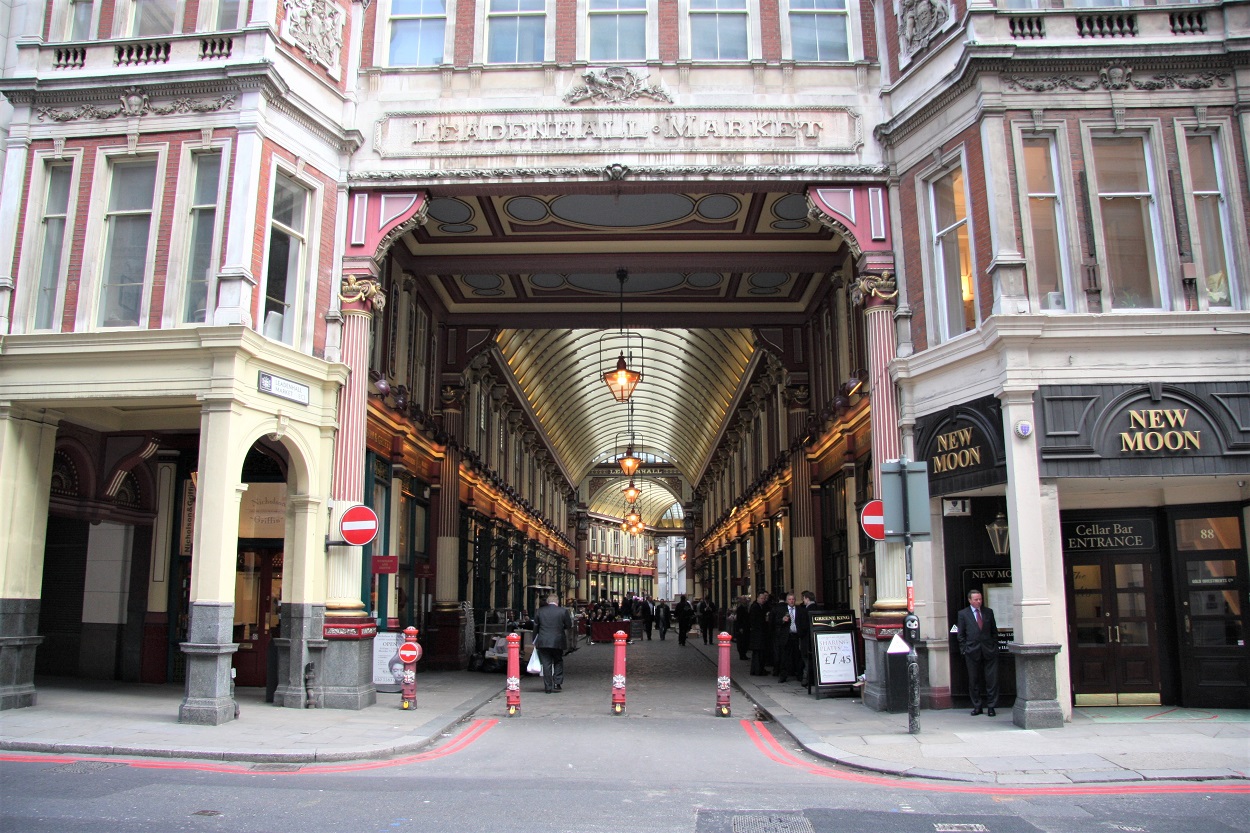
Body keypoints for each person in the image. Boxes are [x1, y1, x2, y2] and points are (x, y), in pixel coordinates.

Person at [957, 589, 999, 716]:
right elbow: (961, 634)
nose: (978, 602)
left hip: (989, 650)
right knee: (974, 680)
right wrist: (964, 649)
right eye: (976, 599)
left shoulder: (988, 612)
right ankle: (977, 706)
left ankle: (991, 706)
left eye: (980, 599)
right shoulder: (963, 614)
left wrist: (994, 646)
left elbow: (994, 631)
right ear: (970, 600)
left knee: (991, 679)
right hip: (972, 651)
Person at [533, 593, 573, 694]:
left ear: (547, 601)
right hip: (557, 641)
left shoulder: (540, 611)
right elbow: (569, 625)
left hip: (543, 641)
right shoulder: (563, 611)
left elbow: (536, 627)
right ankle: (557, 682)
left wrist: (535, 640)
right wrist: (560, 628)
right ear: (557, 601)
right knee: (558, 660)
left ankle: (548, 687)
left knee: (546, 664)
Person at [771, 592, 801, 682]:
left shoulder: (800, 610)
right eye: (790, 599)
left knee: (797, 656)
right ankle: (783, 676)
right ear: (787, 601)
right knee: (784, 657)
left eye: (793, 599)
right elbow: (775, 621)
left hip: (796, 636)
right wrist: (782, 620)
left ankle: (799, 675)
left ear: (795, 600)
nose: (791, 601)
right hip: (786, 636)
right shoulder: (782, 610)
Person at [795, 590, 820, 686]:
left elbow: (803, 627)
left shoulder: (805, 611)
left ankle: (807, 679)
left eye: (804, 599)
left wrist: (799, 635)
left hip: (806, 640)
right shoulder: (819, 609)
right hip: (817, 639)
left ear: (807, 599)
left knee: (806, 660)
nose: (803, 601)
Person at [747, 592, 772, 676]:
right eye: (761, 598)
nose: (763, 600)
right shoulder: (755, 607)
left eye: (764, 598)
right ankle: (757, 670)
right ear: (757, 599)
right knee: (757, 654)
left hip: (759, 634)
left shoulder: (761, 607)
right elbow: (755, 621)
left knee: (759, 653)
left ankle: (758, 669)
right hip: (757, 634)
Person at [732, 595, 751, 660]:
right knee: (742, 641)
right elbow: (739, 619)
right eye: (744, 599)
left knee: (745, 641)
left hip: (746, 627)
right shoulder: (740, 608)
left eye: (745, 599)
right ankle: (742, 654)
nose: (746, 601)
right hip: (742, 627)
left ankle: (744, 654)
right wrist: (740, 628)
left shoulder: (745, 607)